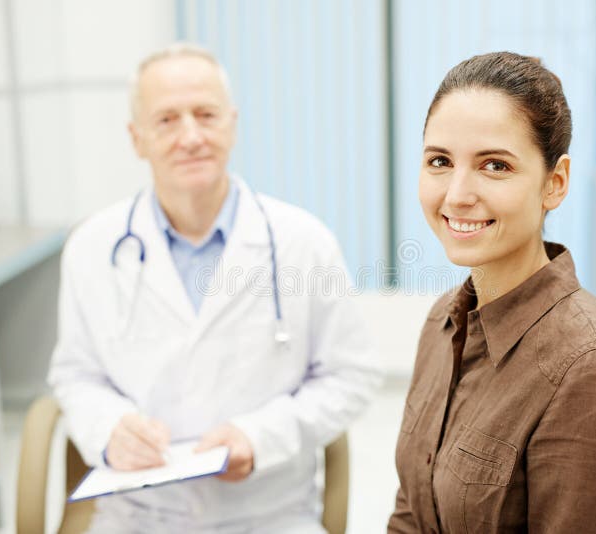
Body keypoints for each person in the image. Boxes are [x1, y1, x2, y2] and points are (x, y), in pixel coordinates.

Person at [48, 43, 381, 533]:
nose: (191, 136)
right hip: (137, 515)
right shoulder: (92, 247)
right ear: (136, 137)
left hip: (269, 514)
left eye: (206, 114)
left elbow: (352, 375)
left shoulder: (303, 242)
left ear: (232, 123)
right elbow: (76, 375)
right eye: (166, 120)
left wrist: (261, 436)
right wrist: (109, 428)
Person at [388, 52, 596, 533]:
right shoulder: (441, 323)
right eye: (440, 161)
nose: (456, 194)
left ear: (554, 184)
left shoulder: (590, 369)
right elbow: (411, 512)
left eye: (494, 165)